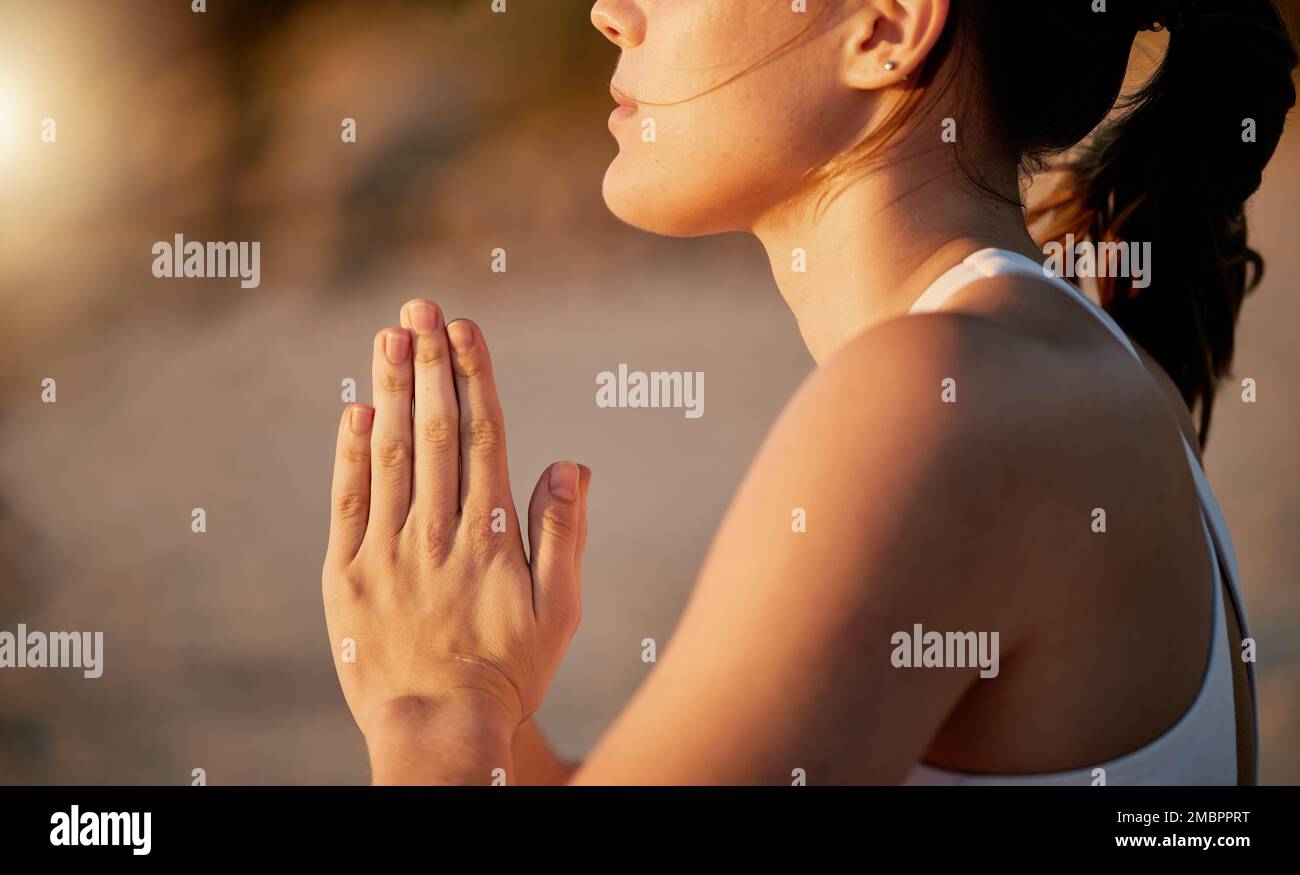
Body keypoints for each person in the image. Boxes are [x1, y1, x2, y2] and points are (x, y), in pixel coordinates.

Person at [320, 0, 1297, 784]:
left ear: (885, 28)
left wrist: (433, 719)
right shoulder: (1052, 366)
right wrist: (493, 710)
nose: (610, 13)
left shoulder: (943, 398)